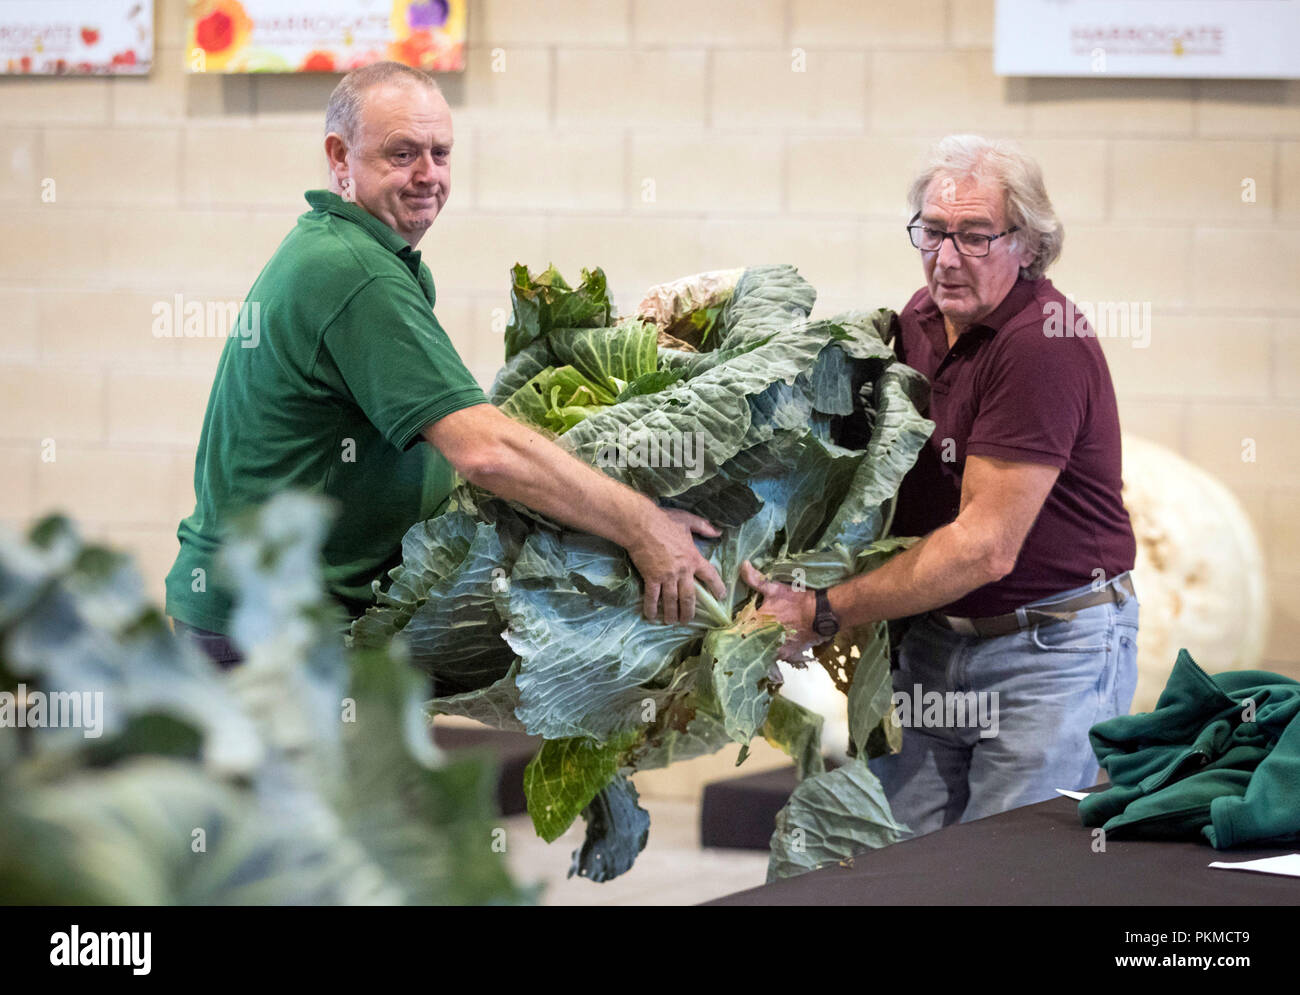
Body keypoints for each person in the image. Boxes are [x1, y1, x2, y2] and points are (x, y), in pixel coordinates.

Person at [165, 62, 724, 668]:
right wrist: (642, 524)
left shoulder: (345, 249)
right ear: (340, 157)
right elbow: (485, 451)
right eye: (401, 153)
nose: (427, 175)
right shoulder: (355, 271)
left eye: (440, 153)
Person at [742, 134, 1139, 837]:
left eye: (975, 236)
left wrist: (823, 609)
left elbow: (985, 548)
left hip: (1044, 653)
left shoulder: (1041, 343)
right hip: (933, 644)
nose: (946, 257)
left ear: (1028, 243)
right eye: (932, 232)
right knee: (906, 863)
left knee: (1009, 870)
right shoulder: (922, 320)